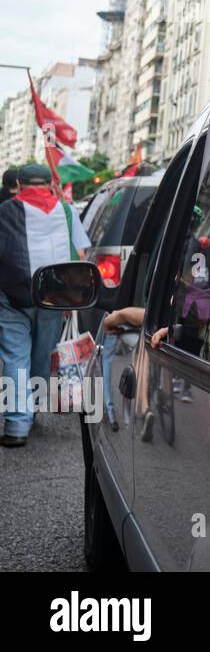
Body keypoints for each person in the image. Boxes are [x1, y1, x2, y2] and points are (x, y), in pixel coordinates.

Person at [0, 163, 90, 447]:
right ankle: (33, 407)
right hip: (54, 298)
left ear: (20, 185)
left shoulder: (6, 211)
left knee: (16, 357)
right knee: (41, 357)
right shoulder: (67, 211)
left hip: (13, 297)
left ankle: (17, 425)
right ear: (50, 182)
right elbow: (82, 253)